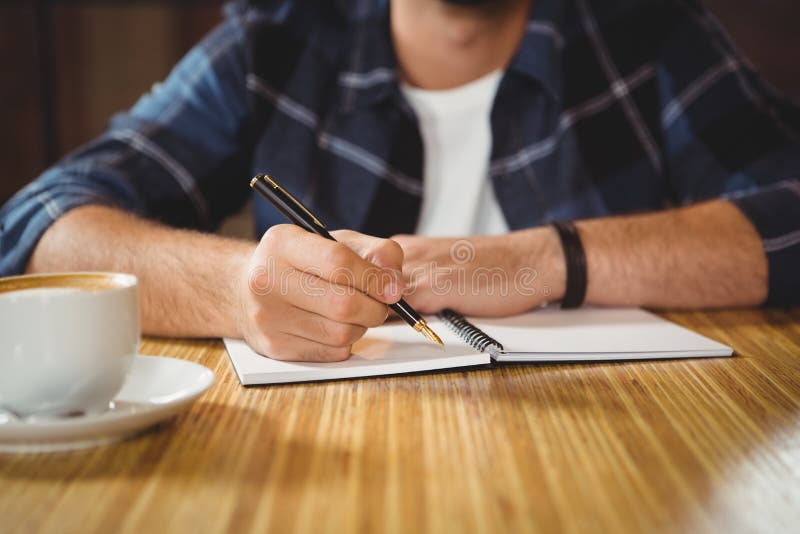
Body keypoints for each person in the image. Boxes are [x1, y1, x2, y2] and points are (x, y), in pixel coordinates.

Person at [1, 0, 798, 362]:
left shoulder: (651, 31)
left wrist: (532, 262)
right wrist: (237, 285)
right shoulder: (274, 40)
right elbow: (39, 223)